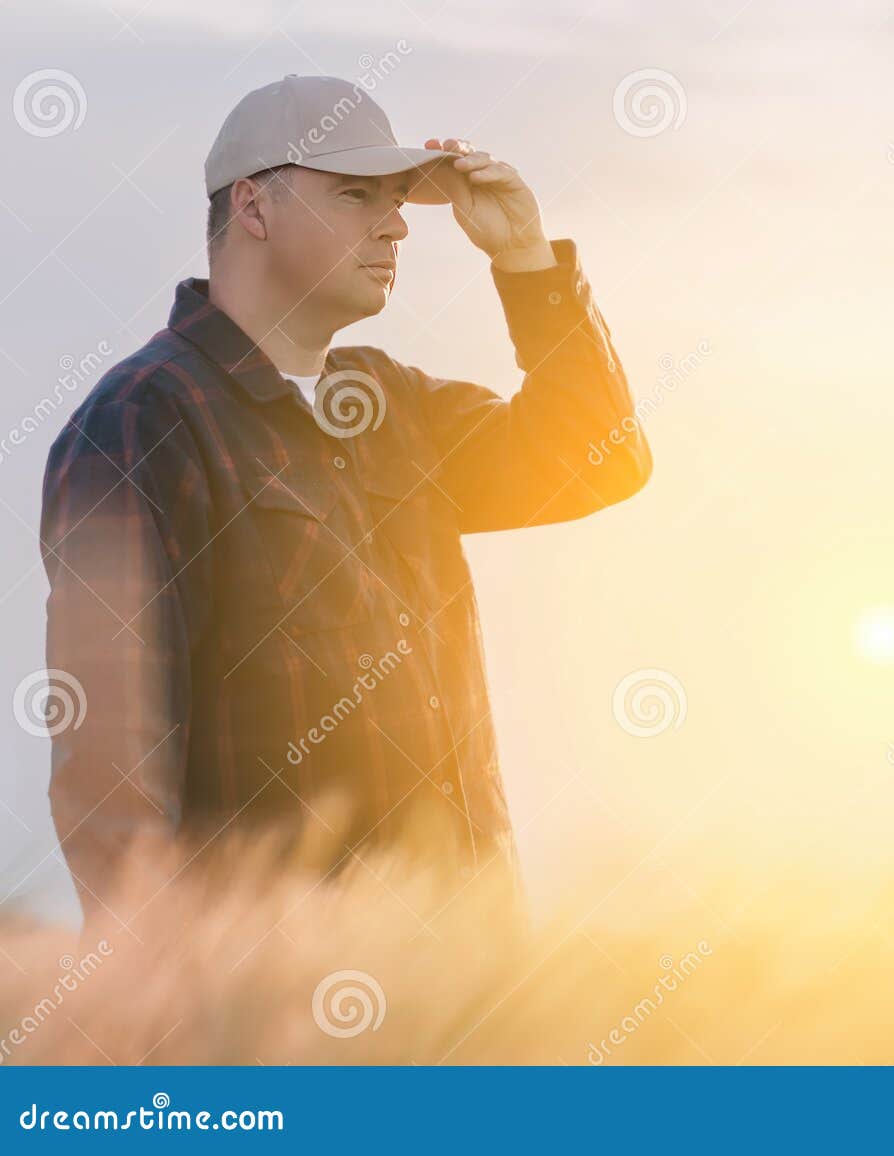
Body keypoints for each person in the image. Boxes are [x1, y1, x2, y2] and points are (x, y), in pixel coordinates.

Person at [37, 75, 651, 932]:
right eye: (358, 195)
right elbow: (109, 774)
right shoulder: (143, 419)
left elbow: (600, 460)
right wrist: (170, 1015)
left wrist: (525, 261)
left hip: (469, 994)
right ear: (252, 207)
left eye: (398, 199)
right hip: (284, 1019)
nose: (397, 224)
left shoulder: (394, 403)